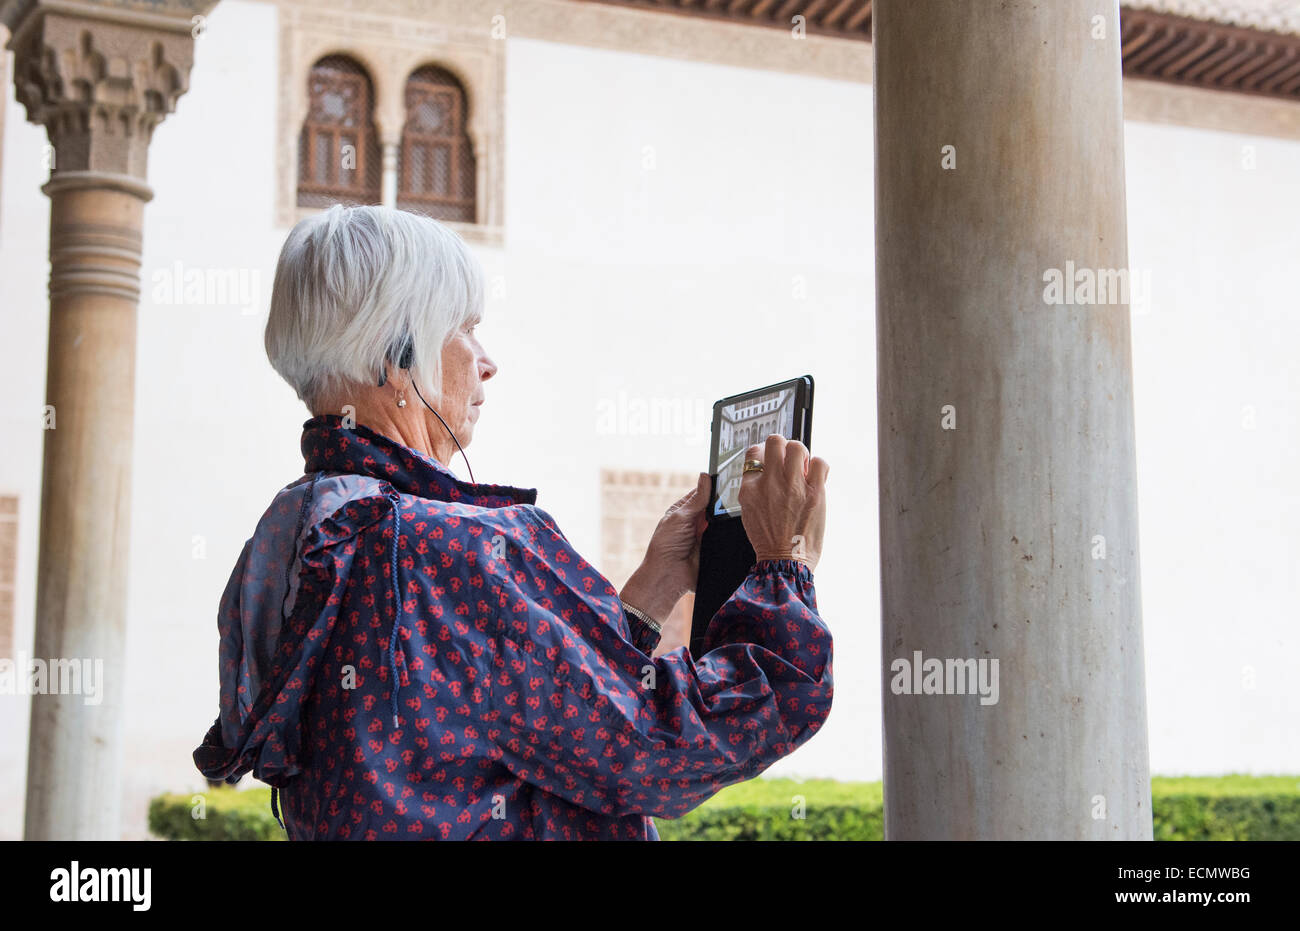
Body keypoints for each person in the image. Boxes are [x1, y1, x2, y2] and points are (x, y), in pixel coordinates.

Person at [193, 204, 832, 840]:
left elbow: (521, 709)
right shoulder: (450, 552)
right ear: (396, 356)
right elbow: (662, 746)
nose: (486, 360)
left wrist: (652, 590)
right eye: (464, 329)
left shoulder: (299, 529)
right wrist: (784, 566)